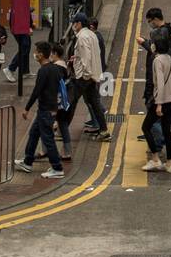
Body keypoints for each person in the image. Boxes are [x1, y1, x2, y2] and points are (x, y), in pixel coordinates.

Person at [15, 42, 65, 178]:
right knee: (33, 133)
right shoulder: (55, 68)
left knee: (48, 139)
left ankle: (57, 168)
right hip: (49, 108)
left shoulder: (43, 71)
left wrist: (26, 108)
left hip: (45, 110)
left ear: (41, 54)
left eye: (36, 52)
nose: (35, 54)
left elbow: (37, 91)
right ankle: (27, 162)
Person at [66, 13, 111, 140]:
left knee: (71, 101)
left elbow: (87, 57)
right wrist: (77, 58)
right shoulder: (92, 35)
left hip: (84, 77)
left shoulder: (82, 37)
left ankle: (62, 132)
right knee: (95, 103)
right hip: (93, 75)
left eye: (74, 23)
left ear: (79, 23)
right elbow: (89, 54)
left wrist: (85, 75)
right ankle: (104, 131)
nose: (73, 25)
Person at [141, 33, 171, 173]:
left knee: (146, 127)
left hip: (161, 101)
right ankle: (169, 163)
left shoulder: (157, 60)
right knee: (167, 132)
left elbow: (160, 84)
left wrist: (159, 104)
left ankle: (155, 159)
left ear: (156, 46)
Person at [3, 0, 35, 83]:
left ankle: (25, 71)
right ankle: (10, 68)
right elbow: (22, 13)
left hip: (22, 27)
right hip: (21, 28)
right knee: (24, 47)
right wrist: (28, 27)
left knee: (27, 47)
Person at [51, 42, 73, 161]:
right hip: (64, 101)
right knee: (63, 125)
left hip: (58, 102)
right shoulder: (64, 65)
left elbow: (55, 85)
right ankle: (67, 152)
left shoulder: (57, 68)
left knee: (43, 126)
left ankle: (46, 151)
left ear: (55, 54)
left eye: (51, 53)